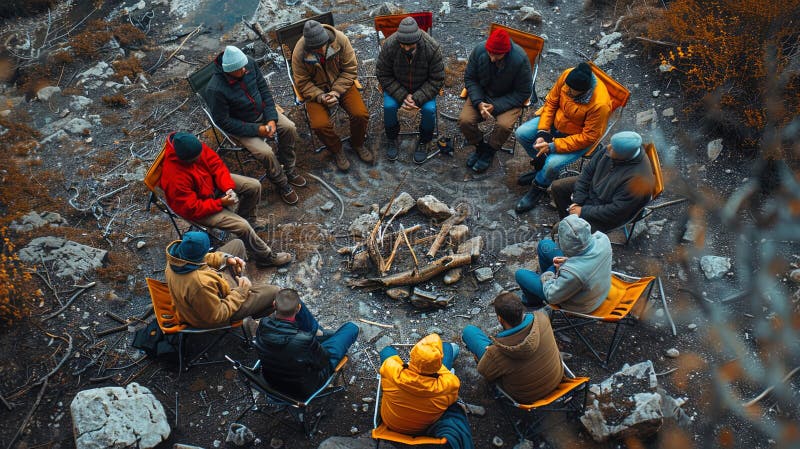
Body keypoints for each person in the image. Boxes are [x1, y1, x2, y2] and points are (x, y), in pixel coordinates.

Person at [159, 132, 292, 267]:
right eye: (195, 159)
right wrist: (220, 203)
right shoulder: (173, 177)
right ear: (185, 160)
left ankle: (249, 221)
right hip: (198, 210)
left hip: (211, 186)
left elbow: (216, 165)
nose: (200, 158)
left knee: (254, 186)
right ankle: (265, 257)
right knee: (242, 226)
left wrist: (227, 187)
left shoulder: (193, 146)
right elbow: (191, 208)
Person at [206, 45, 303, 205]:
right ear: (229, 71)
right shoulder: (215, 89)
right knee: (266, 153)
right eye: (240, 69)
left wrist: (271, 118)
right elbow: (223, 121)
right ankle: (281, 182)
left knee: (289, 128)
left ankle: (289, 168)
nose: (245, 70)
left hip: (263, 112)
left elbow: (264, 90)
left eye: (244, 66)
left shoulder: (248, 63)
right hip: (242, 126)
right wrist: (257, 130)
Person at [514, 62, 612, 214]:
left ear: (584, 91)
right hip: (556, 122)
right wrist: (543, 132)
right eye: (568, 88)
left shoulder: (600, 104)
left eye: (572, 91)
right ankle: (541, 169)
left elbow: (588, 137)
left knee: (552, 164)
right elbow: (551, 102)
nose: (568, 91)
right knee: (522, 133)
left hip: (578, 138)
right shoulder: (568, 75)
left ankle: (538, 187)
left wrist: (552, 146)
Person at [292, 20, 372, 171]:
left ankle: (358, 143)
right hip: (316, 91)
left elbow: (350, 69)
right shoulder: (299, 52)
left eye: (322, 46)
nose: (320, 51)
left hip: (341, 83)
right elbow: (302, 83)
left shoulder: (340, 40)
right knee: (319, 125)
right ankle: (337, 149)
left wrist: (336, 91)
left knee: (360, 114)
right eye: (316, 49)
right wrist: (321, 96)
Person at [251, 288, 359, 399]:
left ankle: (318, 333)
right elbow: (323, 362)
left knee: (292, 302)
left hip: (272, 382)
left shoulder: (263, 324)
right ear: (298, 309)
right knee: (352, 328)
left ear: (274, 304)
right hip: (303, 389)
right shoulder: (304, 340)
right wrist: (315, 346)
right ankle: (319, 335)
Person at [461, 292, 563, 404]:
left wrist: (490, 351)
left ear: (500, 319)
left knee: (469, 331)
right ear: (522, 310)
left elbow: (483, 371)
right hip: (556, 379)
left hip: (526, 396)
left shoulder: (496, 353)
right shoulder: (542, 318)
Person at [164, 232, 279, 328]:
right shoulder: (201, 284)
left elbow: (203, 257)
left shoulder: (176, 258)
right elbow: (217, 316)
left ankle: (244, 288)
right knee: (275, 292)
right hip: (216, 313)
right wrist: (241, 292)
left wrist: (226, 259)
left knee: (237, 244)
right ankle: (254, 307)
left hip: (211, 292)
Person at [550, 131, 655, 233]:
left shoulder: (639, 181)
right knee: (558, 186)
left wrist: (583, 211)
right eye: (611, 144)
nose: (608, 147)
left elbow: (616, 212)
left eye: (613, 148)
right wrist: (578, 201)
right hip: (596, 192)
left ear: (623, 156)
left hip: (608, 214)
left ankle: (571, 232)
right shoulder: (614, 150)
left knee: (565, 230)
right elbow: (587, 173)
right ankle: (567, 222)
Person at [460, 28, 532, 173]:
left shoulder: (520, 59)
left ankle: (490, 151)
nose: (492, 58)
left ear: (506, 52)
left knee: (504, 126)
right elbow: (470, 78)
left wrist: (495, 106)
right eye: (490, 54)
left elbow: (523, 92)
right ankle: (480, 146)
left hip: (508, 98)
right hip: (483, 94)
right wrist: (479, 102)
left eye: (497, 55)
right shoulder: (479, 50)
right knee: (465, 120)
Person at [376, 16, 445, 163]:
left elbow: (437, 79)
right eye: (403, 45)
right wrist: (402, 95)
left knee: (429, 110)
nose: (407, 48)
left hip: (423, 88)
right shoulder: (389, 45)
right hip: (397, 87)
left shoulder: (431, 48)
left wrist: (417, 97)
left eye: (410, 45)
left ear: (418, 40)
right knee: (389, 107)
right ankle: (392, 137)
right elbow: (383, 74)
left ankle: (424, 140)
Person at [515, 214, 611, 313]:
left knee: (520, 274)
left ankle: (534, 302)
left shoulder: (572, 273)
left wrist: (550, 275)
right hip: (594, 285)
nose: (558, 243)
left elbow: (552, 296)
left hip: (584, 304)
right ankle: (542, 287)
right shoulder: (603, 239)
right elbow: (586, 260)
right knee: (544, 245)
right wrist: (568, 260)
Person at [378, 334, 464, 436]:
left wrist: (415, 365)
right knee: (450, 347)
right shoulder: (449, 385)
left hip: (390, 423)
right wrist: (431, 365)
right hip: (421, 430)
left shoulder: (391, 371)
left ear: (412, 353)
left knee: (387, 351)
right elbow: (451, 394)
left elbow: (387, 358)